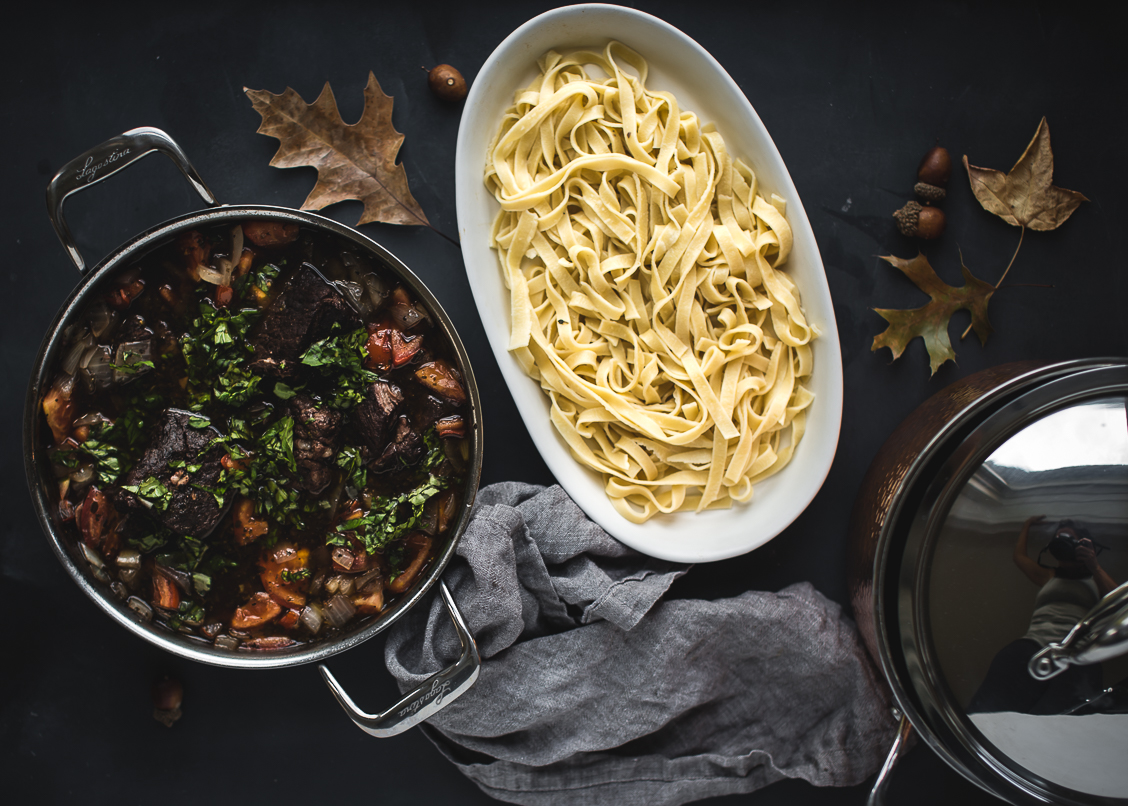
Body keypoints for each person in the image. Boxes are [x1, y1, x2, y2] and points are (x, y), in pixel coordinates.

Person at [967, 516, 1115, 715]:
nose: (1062, 542)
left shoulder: (1095, 579)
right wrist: (1027, 525)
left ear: (1084, 544)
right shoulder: (1049, 575)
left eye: (1069, 539)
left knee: (1064, 720)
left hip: (1078, 655)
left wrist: (1094, 566)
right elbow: (1019, 557)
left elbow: (1120, 602)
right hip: (1032, 647)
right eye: (1058, 538)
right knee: (993, 708)